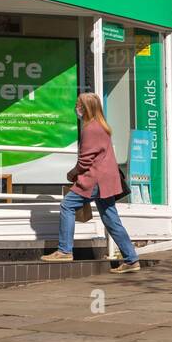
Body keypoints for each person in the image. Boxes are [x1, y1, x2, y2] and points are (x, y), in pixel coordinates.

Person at [42, 92, 140, 272]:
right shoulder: (101, 126)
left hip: (95, 180)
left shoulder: (90, 129)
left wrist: (72, 174)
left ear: (85, 108)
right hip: (106, 181)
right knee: (111, 219)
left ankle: (64, 251)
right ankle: (131, 259)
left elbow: (85, 162)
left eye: (78, 104)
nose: (76, 108)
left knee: (67, 206)